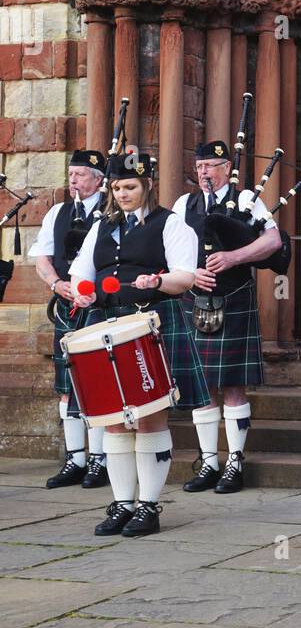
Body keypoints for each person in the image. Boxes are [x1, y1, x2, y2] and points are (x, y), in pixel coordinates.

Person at [70, 151, 209, 537]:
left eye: (129, 186)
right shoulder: (101, 226)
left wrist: (158, 282)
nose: (122, 193)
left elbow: (186, 276)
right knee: (114, 420)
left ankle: (148, 506)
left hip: (152, 323)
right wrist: (80, 293)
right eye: (116, 187)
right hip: (104, 325)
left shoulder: (171, 224)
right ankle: (122, 504)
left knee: (148, 416)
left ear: (147, 184)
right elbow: (82, 271)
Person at [173, 140, 282, 495]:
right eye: (200, 166)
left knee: (233, 385)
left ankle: (235, 461)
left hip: (233, 298)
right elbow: (171, 248)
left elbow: (273, 241)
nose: (204, 172)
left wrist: (235, 257)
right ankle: (208, 461)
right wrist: (189, 274)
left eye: (211, 166)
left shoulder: (248, 199)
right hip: (194, 300)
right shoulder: (183, 204)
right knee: (201, 387)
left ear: (227, 168)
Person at [29, 149, 109, 489]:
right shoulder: (58, 212)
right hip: (67, 305)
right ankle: (75, 459)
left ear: (99, 179)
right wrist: (56, 283)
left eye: (80, 174)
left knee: (101, 383)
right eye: (71, 173)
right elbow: (41, 256)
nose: (73, 179)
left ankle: (99, 460)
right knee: (67, 385)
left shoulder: (113, 210)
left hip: (102, 305)